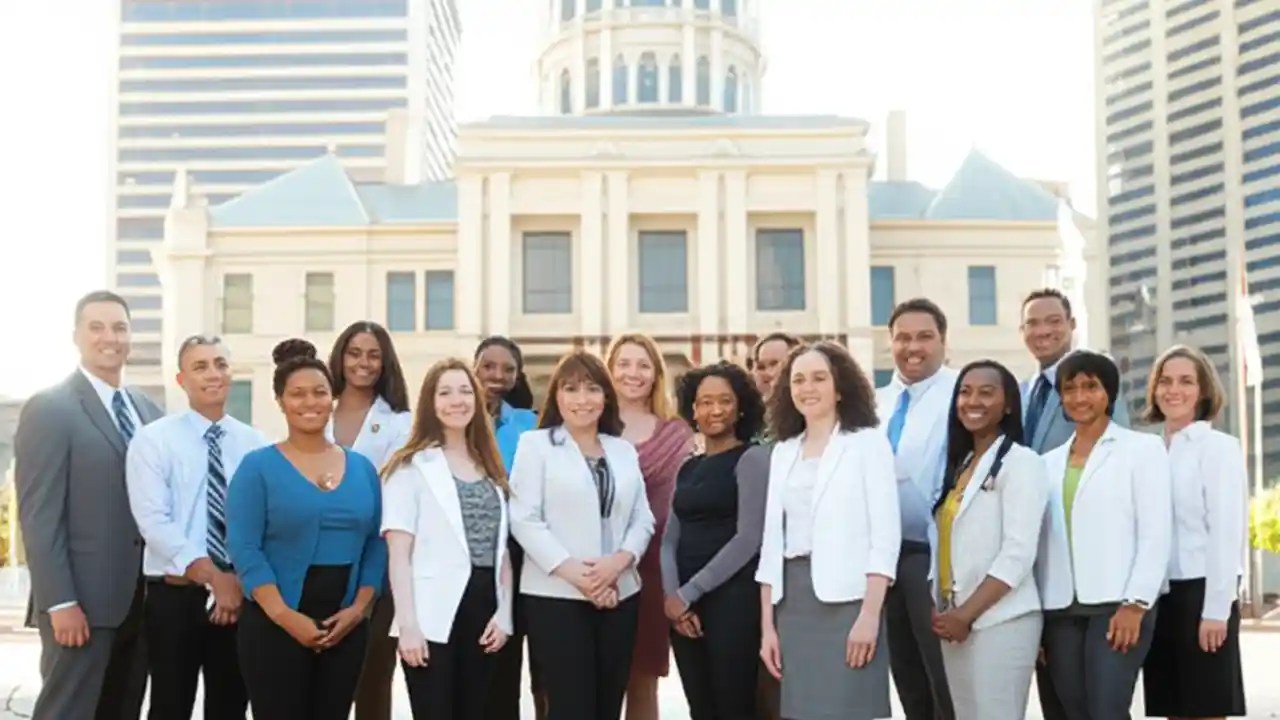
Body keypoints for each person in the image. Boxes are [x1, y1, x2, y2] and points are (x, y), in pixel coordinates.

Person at [15, 290, 163, 720]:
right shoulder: (51, 408)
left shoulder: (147, 410)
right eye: (96, 327)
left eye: (119, 327)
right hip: (81, 604)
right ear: (76, 336)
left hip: (142, 599)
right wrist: (59, 601)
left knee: (123, 709)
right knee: (69, 711)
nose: (109, 337)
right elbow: (39, 516)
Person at [227, 339, 388, 720]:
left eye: (319, 392)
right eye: (297, 394)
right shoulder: (257, 467)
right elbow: (245, 548)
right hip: (275, 623)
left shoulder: (363, 468)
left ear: (332, 397)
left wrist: (359, 610)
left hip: (345, 626)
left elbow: (375, 543)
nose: (310, 402)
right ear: (280, 401)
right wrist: (286, 616)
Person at [509, 350, 656, 720]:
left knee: (608, 705)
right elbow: (523, 518)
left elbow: (643, 519)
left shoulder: (622, 450)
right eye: (571, 389)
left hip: (620, 593)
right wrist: (583, 577)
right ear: (556, 396)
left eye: (592, 389)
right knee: (570, 707)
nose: (582, 399)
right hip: (556, 596)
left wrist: (618, 564)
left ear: (605, 396)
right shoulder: (536, 445)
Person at [125, 335, 267, 719]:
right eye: (200, 366)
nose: (213, 374)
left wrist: (233, 582)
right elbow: (154, 521)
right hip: (176, 598)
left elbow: (259, 524)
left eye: (220, 364)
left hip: (238, 598)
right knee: (170, 706)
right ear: (181, 379)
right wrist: (213, 577)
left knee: (230, 706)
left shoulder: (255, 445)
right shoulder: (153, 440)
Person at [757, 341, 900, 720]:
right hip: (794, 604)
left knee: (852, 711)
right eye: (798, 380)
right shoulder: (783, 451)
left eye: (819, 378)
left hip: (851, 603)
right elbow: (772, 544)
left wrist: (870, 616)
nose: (808, 388)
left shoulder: (868, 444)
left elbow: (885, 539)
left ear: (839, 387)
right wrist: (767, 628)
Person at [1035, 350, 1171, 719]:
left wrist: (1136, 604)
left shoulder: (1142, 450)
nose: (1080, 396)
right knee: (1075, 711)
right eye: (1070, 388)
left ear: (1108, 393)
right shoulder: (1045, 464)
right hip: (1060, 610)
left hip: (1118, 606)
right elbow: (1041, 546)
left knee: (1107, 711)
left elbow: (1156, 533)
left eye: (1090, 387)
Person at [1018, 289, 1132, 720]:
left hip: (1099, 582)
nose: (1043, 330)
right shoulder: (1023, 390)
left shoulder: (1097, 385)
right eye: (1032, 323)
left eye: (1053, 321)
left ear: (1071, 325)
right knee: (1059, 705)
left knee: (1100, 706)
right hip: (1044, 574)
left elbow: (1115, 474)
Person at [381, 359, 514, 720]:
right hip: (432, 614)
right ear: (430, 402)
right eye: (445, 392)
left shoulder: (489, 466)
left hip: (485, 609)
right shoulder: (408, 467)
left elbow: (500, 550)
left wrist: (505, 615)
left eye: (465, 391)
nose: (457, 400)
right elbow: (398, 553)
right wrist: (407, 625)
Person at [930, 360, 1049, 719]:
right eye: (965, 392)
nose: (973, 401)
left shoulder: (1022, 463)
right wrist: (949, 612)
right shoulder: (961, 464)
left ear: (1008, 404)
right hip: (955, 620)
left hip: (1001, 619)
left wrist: (966, 614)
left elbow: (1018, 553)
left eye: (986, 392)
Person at [1140, 345, 1248, 719]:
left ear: (1203, 391)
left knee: (1206, 709)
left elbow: (1225, 531)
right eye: (1165, 381)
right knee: (1172, 709)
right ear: (1154, 390)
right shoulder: (1147, 451)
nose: (1174, 390)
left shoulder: (1218, 448)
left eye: (1186, 381)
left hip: (1203, 594)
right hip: (1158, 597)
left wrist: (1217, 610)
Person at [662, 361, 767, 719]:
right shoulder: (687, 466)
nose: (715, 410)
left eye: (724, 400)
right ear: (693, 409)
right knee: (701, 709)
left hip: (733, 602)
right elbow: (668, 541)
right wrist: (673, 599)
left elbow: (748, 538)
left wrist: (689, 592)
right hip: (684, 609)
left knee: (734, 706)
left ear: (740, 407)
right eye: (705, 402)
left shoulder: (752, 459)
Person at [874, 298, 957, 720]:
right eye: (903, 337)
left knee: (944, 680)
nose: (913, 347)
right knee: (907, 679)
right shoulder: (876, 402)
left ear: (943, 340)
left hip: (933, 557)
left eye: (925, 336)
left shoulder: (961, 392)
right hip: (884, 561)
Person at [606, 333, 694, 720]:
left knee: (643, 680)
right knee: (595, 678)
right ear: (609, 371)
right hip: (594, 566)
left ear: (657, 374)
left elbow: (680, 508)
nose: (633, 374)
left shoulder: (675, 433)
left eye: (643, 365)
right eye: (623, 364)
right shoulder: (591, 425)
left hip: (653, 568)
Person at [327, 322, 413, 720]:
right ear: (341, 356)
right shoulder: (316, 403)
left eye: (373, 354)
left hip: (376, 554)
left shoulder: (399, 421)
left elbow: (393, 489)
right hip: (318, 553)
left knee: (373, 669)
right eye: (355, 352)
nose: (363, 362)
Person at [473, 335, 541, 720]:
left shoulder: (529, 424)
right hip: (471, 553)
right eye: (488, 366)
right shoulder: (455, 416)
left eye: (508, 369)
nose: (497, 375)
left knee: (508, 657)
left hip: (519, 549)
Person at [746, 332, 799, 720]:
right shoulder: (746, 424)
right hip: (750, 568)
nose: (767, 373)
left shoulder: (811, 426)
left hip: (797, 569)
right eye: (761, 365)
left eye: (776, 363)